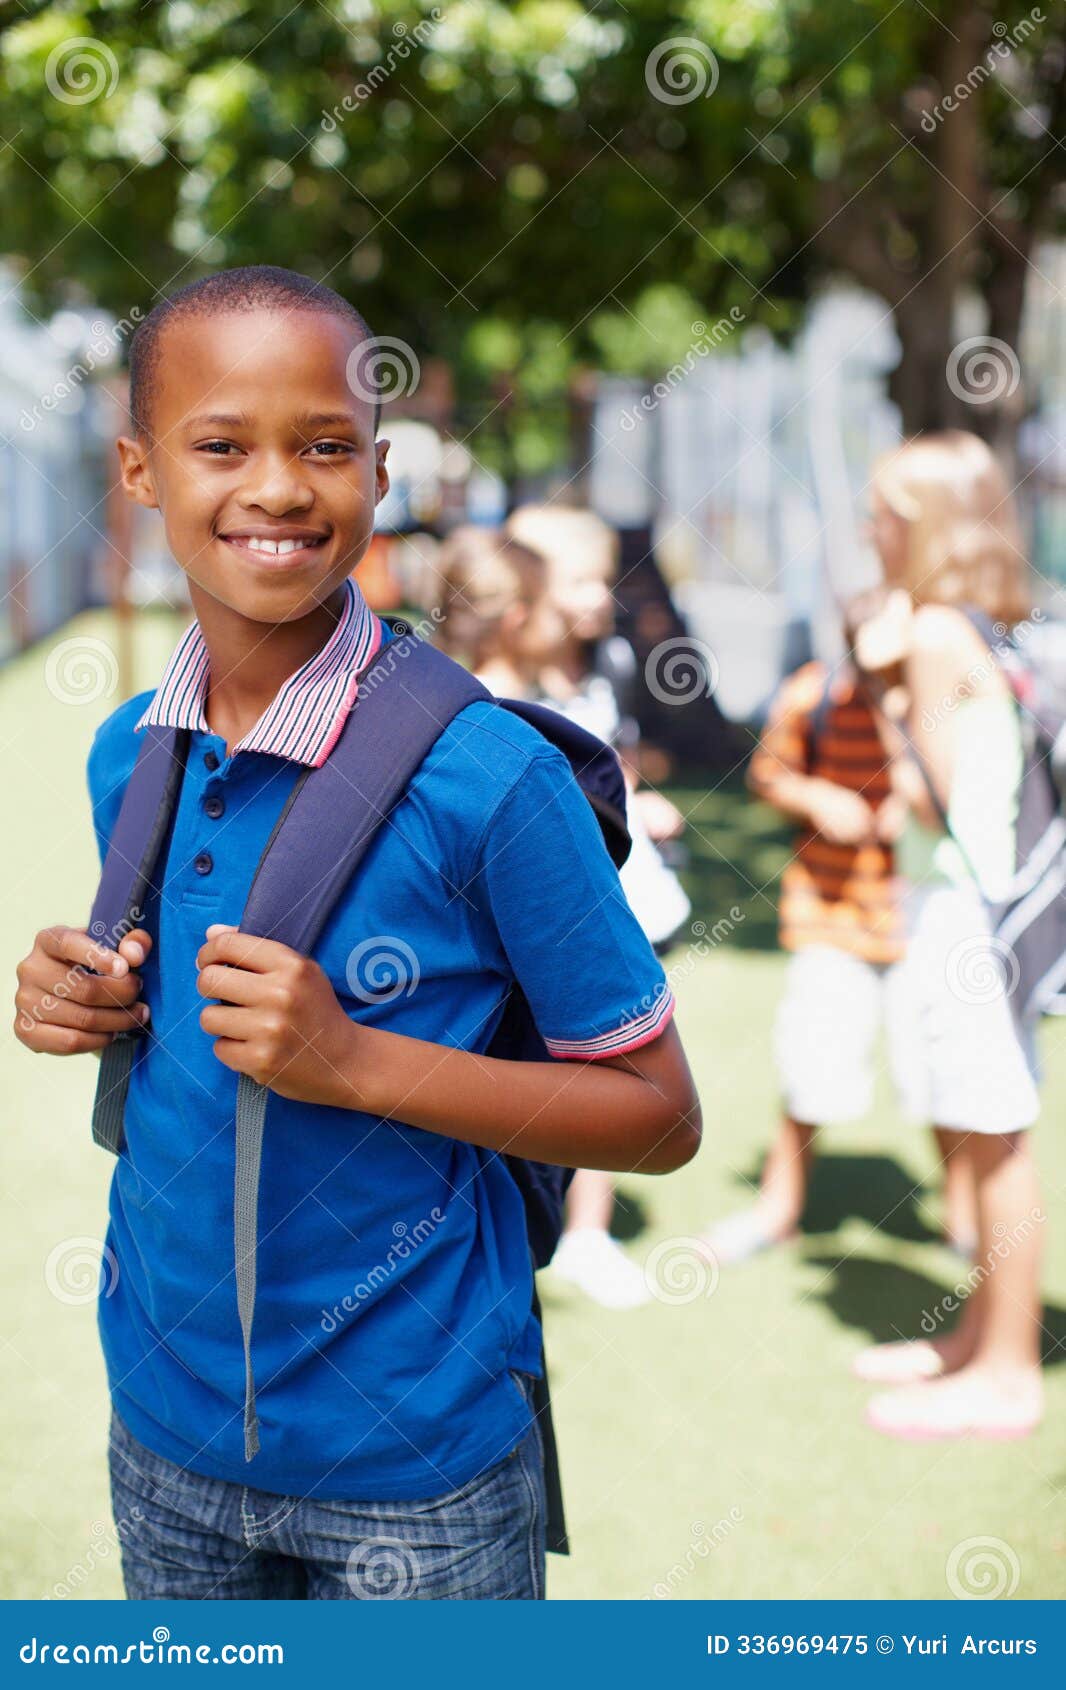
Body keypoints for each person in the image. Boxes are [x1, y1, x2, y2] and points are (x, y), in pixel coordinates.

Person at [12, 266, 701, 1600]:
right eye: (221, 445)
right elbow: (173, 1032)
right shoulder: (127, 753)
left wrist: (353, 1059)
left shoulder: (490, 778)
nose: (277, 487)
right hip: (161, 1429)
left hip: (416, 1468)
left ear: (379, 473)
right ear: (139, 470)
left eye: (325, 446)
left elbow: (658, 1113)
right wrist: (80, 999)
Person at [851, 430, 1043, 1440]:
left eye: (883, 512)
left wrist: (882, 681)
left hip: (963, 909)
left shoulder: (929, 634)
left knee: (993, 1135)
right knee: (979, 1128)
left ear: (921, 526)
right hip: (986, 907)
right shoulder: (981, 622)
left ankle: (1007, 1373)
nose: (868, 528)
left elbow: (924, 794)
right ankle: (977, 1339)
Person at [701, 593, 977, 1264]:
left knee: (941, 1075)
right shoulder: (812, 695)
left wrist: (901, 741)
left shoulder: (936, 701)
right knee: (811, 1064)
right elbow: (768, 774)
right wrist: (816, 796)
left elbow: (961, 792)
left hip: (921, 918)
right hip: (830, 913)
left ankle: (967, 1222)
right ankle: (779, 1210)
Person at [496, 506, 692, 1309]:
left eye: (602, 580)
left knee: (615, 1057)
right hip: (544, 912)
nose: (598, 598)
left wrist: (637, 801)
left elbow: (613, 768)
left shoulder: (604, 666)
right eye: (579, 581)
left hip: (619, 900)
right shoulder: (502, 693)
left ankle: (588, 1230)